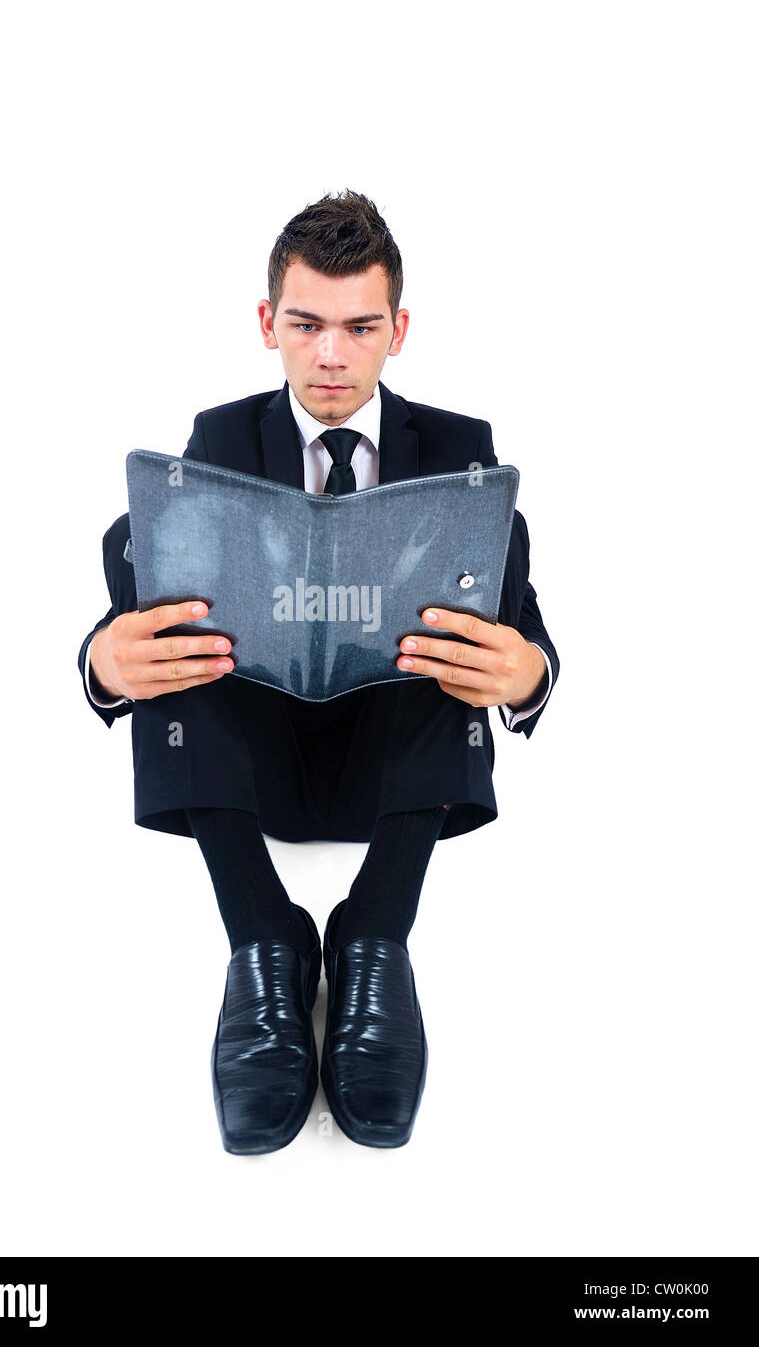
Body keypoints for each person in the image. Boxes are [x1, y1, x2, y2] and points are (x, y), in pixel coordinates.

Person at [77, 189, 560, 1155]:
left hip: (397, 778)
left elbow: (522, 624)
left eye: (358, 327)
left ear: (398, 330)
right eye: (305, 325)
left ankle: (373, 939)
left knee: (448, 637)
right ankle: (264, 939)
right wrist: (102, 661)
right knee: (186, 633)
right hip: (251, 778)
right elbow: (146, 589)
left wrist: (530, 675)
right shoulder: (219, 441)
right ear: (268, 324)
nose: (330, 354)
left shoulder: (460, 449)